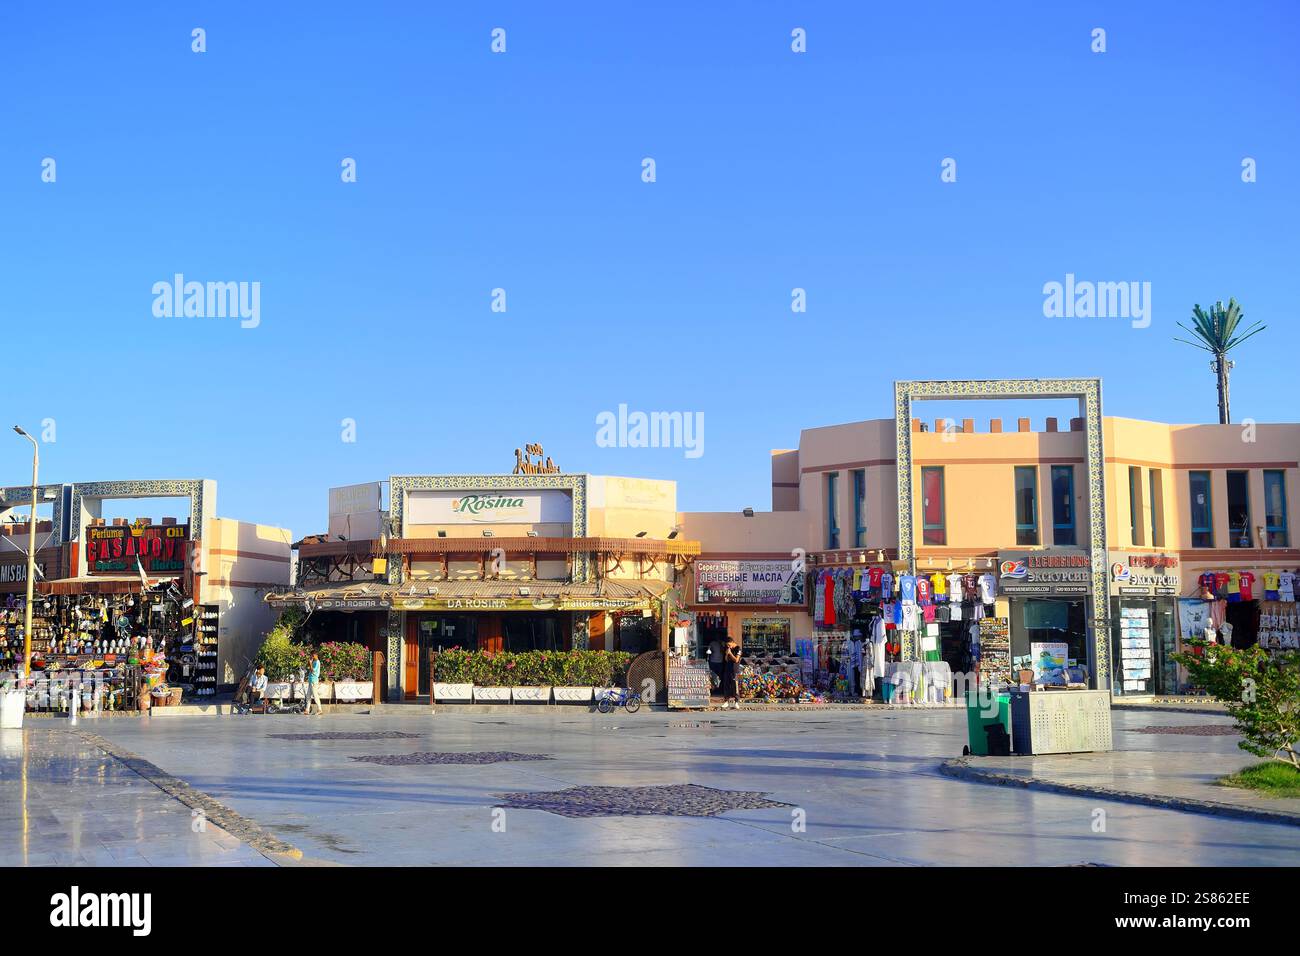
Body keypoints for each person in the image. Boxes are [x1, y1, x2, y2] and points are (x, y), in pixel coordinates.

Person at [721, 638, 741, 710]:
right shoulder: (728, 649)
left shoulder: (738, 649)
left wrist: (730, 653)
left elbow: (736, 660)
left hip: (734, 670)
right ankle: (726, 701)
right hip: (727, 669)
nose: (729, 647)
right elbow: (726, 660)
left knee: (734, 686)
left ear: (732, 642)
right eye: (727, 645)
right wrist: (726, 654)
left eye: (729, 645)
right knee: (726, 685)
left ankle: (736, 702)